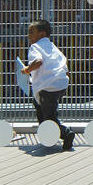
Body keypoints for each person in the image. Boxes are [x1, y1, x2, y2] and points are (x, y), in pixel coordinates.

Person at [21, 19, 73, 151]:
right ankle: (47, 132)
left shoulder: (35, 47)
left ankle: (66, 133)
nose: (29, 35)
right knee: (39, 105)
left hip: (47, 87)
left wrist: (27, 69)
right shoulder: (53, 47)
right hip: (59, 85)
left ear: (42, 34)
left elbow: (38, 62)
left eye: (32, 32)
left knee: (49, 117)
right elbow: (65, 67)